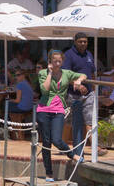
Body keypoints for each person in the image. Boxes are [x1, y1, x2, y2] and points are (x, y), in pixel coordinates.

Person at [37, 50, 86, 179]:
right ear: (50, 62)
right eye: (55, 61)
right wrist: (50, 73)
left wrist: (79, 81)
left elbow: (83, 75)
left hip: (59, 110)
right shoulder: (42, 73)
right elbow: (44, 90)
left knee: (57, 139)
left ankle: (72, 154)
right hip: (44, 110)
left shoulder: (66, 73)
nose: (58, 64)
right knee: (46, 143)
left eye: (60, 61)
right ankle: (49, 173)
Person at [62, 34, 97, 157]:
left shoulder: (89, 54)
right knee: (69, 122)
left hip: (88, 93)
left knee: (89, 121)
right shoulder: (68, 55)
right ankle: (63, 146)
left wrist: (93, 88)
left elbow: (92, 72)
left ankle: (95, 147)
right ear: (75, 42)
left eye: (85, 42)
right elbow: (65, 75)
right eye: (81, 41)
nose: (83, 44)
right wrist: (77, 85)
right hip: (73, 94)